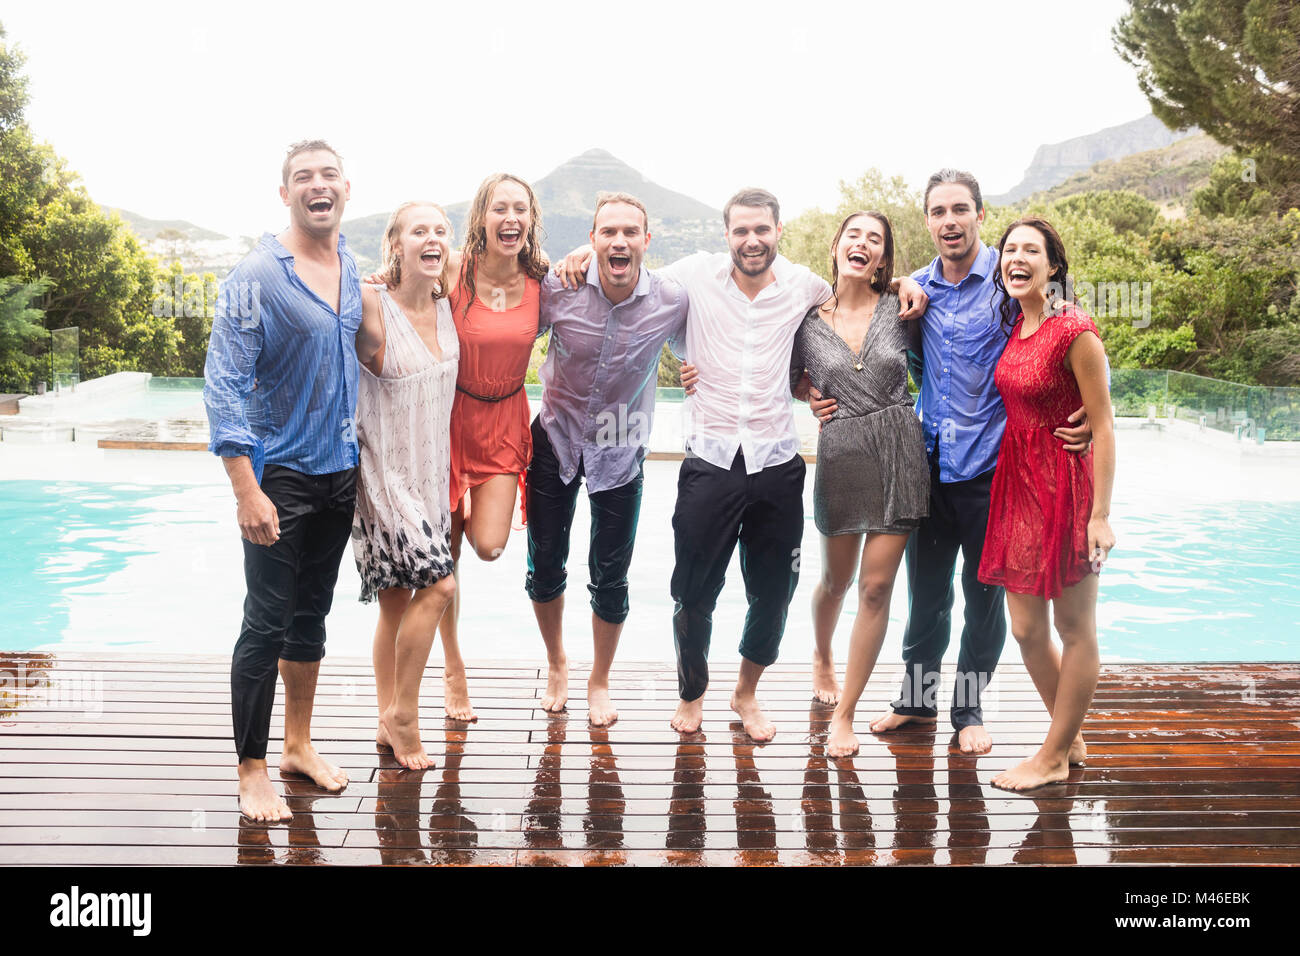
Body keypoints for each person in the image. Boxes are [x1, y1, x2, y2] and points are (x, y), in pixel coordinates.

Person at [557, 189, 928, 742]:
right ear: (726, 234)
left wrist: (902, 282)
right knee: (691, 593)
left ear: (778, 231)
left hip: (776, 463)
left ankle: (746, 692)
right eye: (741, 231)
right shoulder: (693, 276)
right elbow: (634, 275)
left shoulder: (805, 287)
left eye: (762, 230)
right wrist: (585, 254)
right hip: (709, 461)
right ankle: (691, 692)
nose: (752, 240)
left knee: (775, 593)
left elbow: (859, 291)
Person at [834, 169, 1094, 755]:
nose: (949, 221)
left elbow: (1072, 335)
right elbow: (846, 318)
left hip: (995, 471)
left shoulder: (1011, 277)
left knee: (984, 602)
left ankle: (968, 708)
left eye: (960, 210)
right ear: (927, 221)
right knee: (926, 596)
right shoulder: (913, 290)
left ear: (980, 215)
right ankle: (916, 700)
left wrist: (1091, 410)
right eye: (938, 212)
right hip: (927, 466)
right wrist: (814, 392)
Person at [203, 140, 359, 822]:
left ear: (346, 189)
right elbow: (224, 385)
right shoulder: (256, 276)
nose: (317, 185)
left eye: (328, 175)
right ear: (285, 193)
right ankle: (252, 768)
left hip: (340, 474)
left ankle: (298, 746)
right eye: (303, 177)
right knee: (265, 623)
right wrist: (247, 488)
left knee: (310, 618)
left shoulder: (351, 265)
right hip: (280, 478)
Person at [527, 192, 692, 723]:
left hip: (621, 450)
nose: (619, 241)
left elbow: (721, 330)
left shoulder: (671, 300)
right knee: (545, 566)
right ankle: (557, 662)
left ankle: (599, 680)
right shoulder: (559, 287)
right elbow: (504, 318)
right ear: (593, 239)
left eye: (630, 232)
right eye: (608, 232)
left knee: (611, 575)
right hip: (554, 439)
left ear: (647, 240)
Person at [978, 217, 1115, 790]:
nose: (1017, 257)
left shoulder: (1074, 328)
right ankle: (1070, 736)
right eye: (1009, 248)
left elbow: (1103, 425)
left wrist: (1100, 515)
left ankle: (1055, 754)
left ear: (1053, 265)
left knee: (1074, 625)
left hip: (1066, 485)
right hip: (1017, 487)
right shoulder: (1018, 323)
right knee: (1026, 628)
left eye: (1030, 250)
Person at [789, 210, 930, 758]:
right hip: (842, 453)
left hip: (899, 451)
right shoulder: (805, 320)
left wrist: (907, 281)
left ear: (883, 257)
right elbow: (787, 377)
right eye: (855, 235)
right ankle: (822, 653)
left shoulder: (903, 306)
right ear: (837, 246)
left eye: (876, 240)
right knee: (835, 580)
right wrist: (808, 394)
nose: (864, 244)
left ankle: (844, 713)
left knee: (875, 588)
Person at [437, 173, 550, 719]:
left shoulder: (543, 280)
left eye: (520, 209)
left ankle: (461, 514)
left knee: (487, 545)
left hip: (504, 419)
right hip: (446, 418)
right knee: (444, 556)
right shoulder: (453, 269)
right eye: (499, 208)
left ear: (531, 220)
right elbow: (400, 282)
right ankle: (452, 666)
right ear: (481, 217)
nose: (511, 218)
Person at [352, 201, 460, 769]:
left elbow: (515, 263)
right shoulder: (371, 302)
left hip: (429, 476)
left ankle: (383, 717)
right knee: (440, 587)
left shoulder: (449, 302)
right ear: (396, 244)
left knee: (396, 603)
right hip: (383, 475)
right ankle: (405, 715)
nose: (432, 239)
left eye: (440, 230)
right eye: (419, 231)